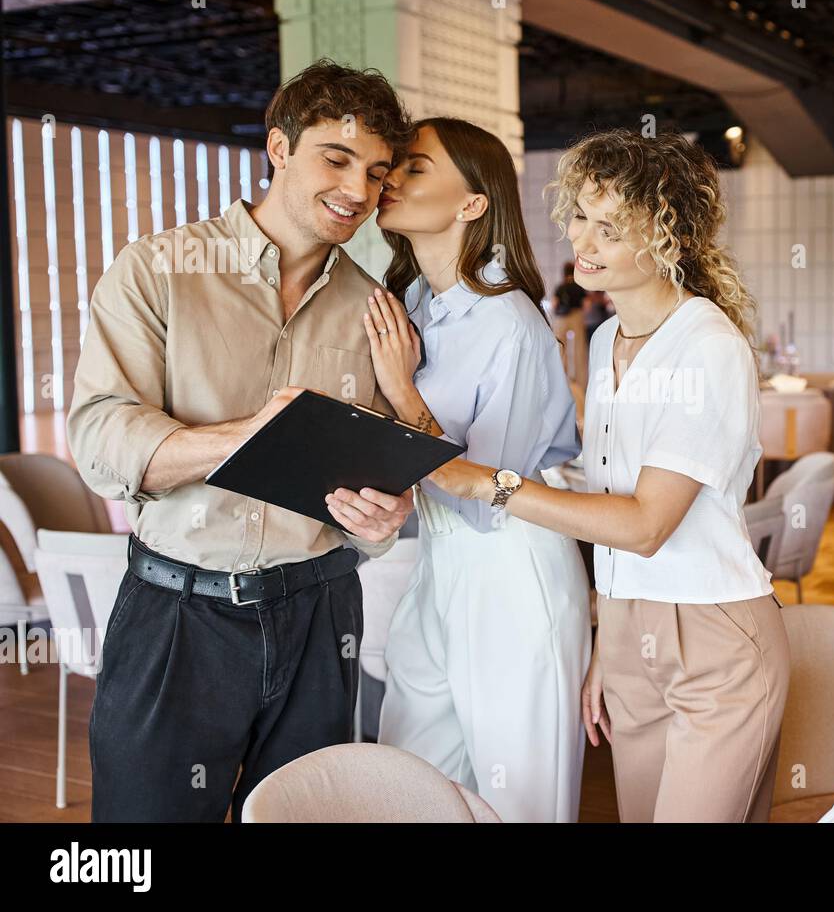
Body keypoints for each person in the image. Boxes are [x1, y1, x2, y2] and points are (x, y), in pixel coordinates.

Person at [66, 60, 416, 822]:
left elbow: (380, 473)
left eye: (377, 172)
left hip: (323, 613)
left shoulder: (375, 311)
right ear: (279, 149)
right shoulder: (156, 271)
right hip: (176, 618)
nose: (358, 191)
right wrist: (249, 437)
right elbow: (99, 437)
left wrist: (385, 519)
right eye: (336, 158)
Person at [430, 128, 790, 822]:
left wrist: (491, 484)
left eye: (610, 228)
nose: (582, 243)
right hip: (629, 633)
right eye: (580, 217)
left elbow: (646, 524)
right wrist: (609, 645)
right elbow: (603, 501)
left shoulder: (708, 348)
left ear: (669, 241)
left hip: (716, 637)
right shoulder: (604, 341)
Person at [368, 117, 590, 823]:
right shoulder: (409, 308)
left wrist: (403, 395)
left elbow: (486, 491)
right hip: (436, 566)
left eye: (417, 167)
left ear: (472, 203)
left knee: (520, 805)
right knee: (410, 788)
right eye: (394, 165)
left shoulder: (512, 324)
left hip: (513, 571)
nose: (392, 179)